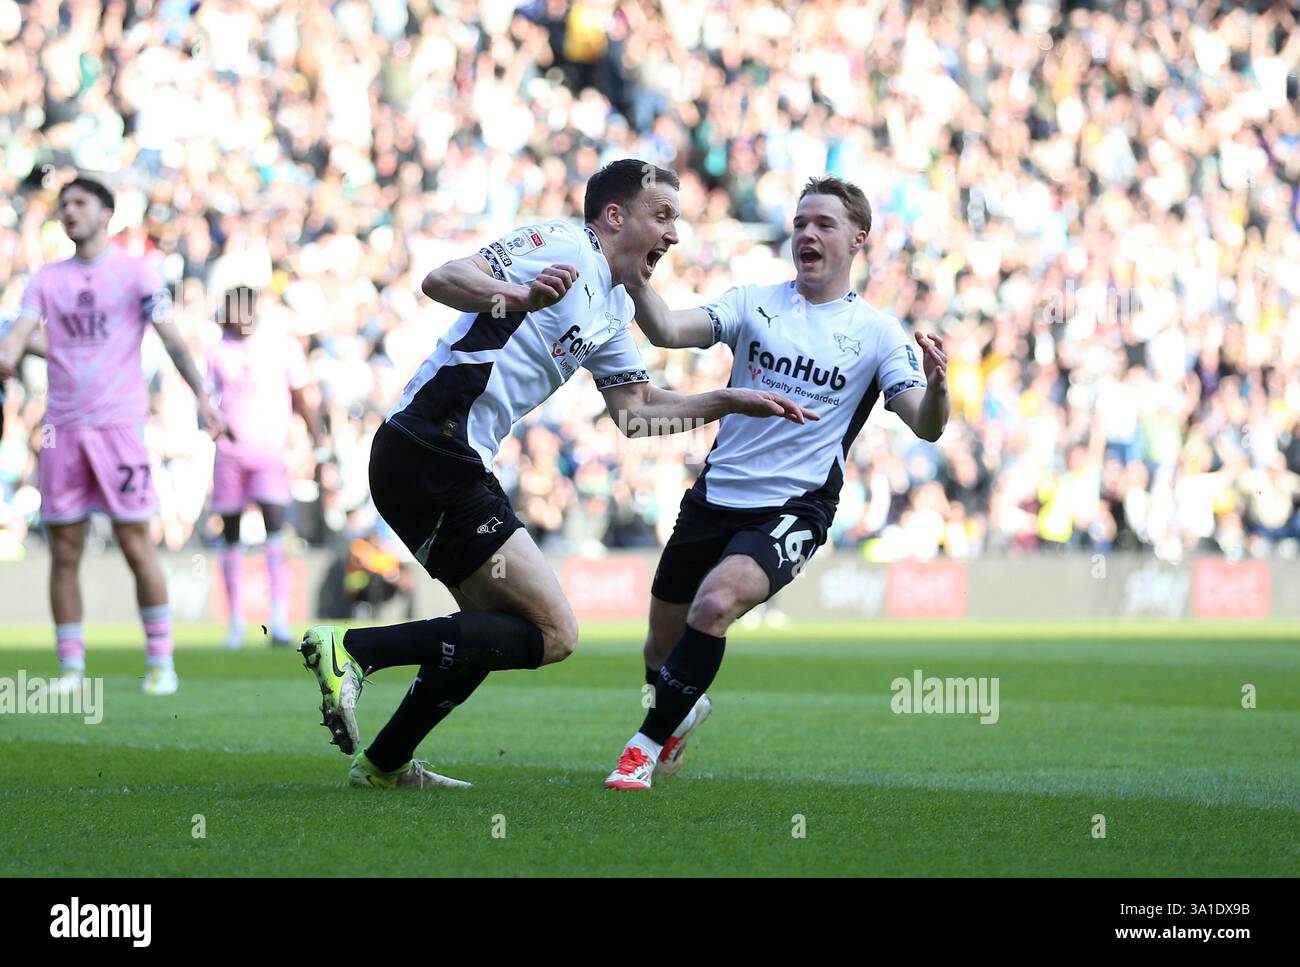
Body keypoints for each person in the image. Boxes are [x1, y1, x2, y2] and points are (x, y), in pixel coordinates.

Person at [297, 158, 818, 790]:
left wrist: (728, 400)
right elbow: (443, 278)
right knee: (555, 633)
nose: (673, 235)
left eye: (676, 220)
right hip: (432, 445)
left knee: (494, 633)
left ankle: (385, 764)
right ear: (614, 216)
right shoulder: (563, 242)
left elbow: (636, 414)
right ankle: (354, 651)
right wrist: (516, 296)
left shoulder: (612, 308)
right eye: (662, 216)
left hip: (440, 460)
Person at [602, 175, 951, 790]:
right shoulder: (752, 303)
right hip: (715, 496)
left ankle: (641, 749)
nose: (807, 234)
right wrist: (634, 272)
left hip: (795, 506)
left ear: (857, 239)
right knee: (659, 654)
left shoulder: (877, 333)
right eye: (799, 224)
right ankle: (681, 710)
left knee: (714, 605)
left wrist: (940, 384)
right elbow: (666, 330)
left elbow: (925, 424)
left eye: (823, 224)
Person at [0, 176, 227, 695]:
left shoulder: (137, 273)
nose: (69, 212)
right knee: (64, 549)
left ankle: (161, 662)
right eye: (64, 205)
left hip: (120, 429)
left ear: (106, 213)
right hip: (61, 431)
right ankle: (72, 670)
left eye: (79, 203)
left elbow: (171, 337)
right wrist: (7, 359)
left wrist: (204, 398)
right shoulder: (46, 279)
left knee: (135, 544)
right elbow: (16, 334)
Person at [206, 286, 327, 648]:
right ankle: (236, 623)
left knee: (275, 534)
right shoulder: (215, 351)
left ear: (254, 310)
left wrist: (317, 433)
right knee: (231, 537)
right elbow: (205, 399)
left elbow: (301, 393)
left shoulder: (282, 346)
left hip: (270, 454)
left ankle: (278, 619)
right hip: (229, 454)